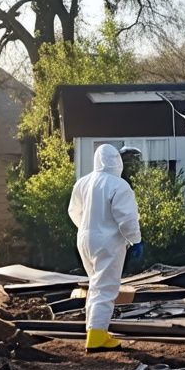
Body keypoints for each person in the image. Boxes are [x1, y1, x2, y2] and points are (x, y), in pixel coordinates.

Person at [68, 145, 143, 352]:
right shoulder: (119, 185)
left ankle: (93, 329)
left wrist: (88, 228)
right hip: (108, 242)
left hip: (84, 239)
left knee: (95, 285)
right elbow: (127, 218)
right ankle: (97, 337)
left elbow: (74, 211)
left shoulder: (83, 182)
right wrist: (136, 240)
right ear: (117, 161)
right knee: (106, 288)